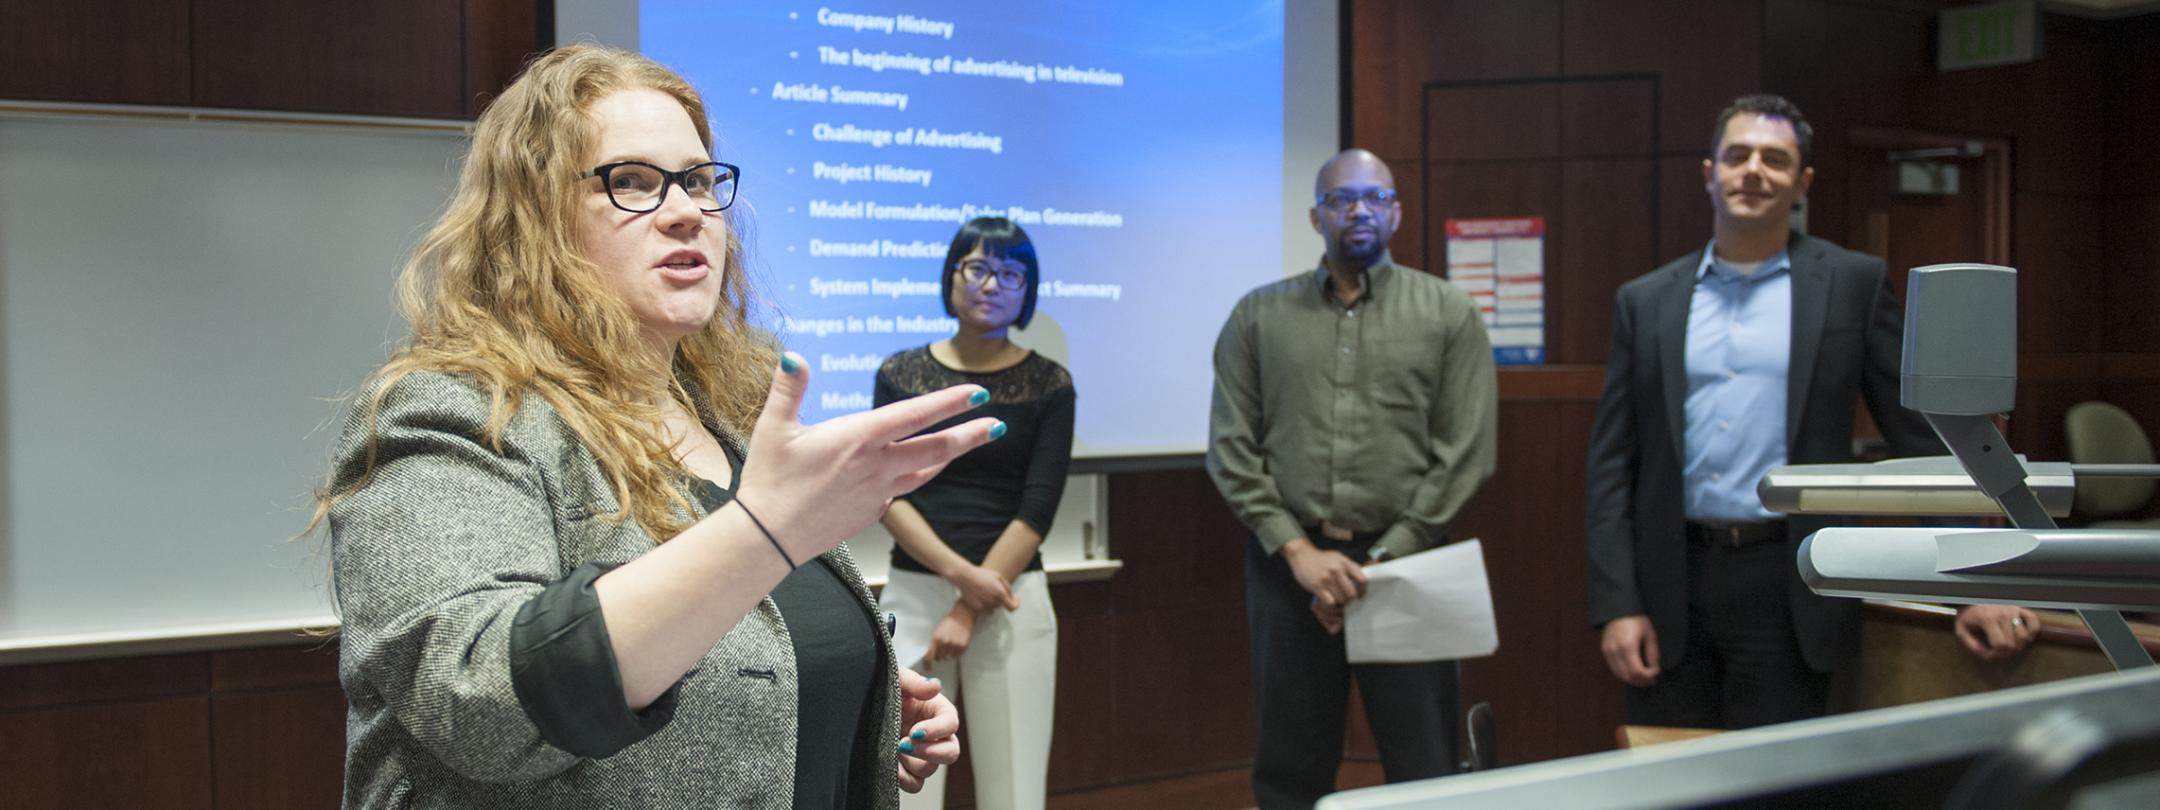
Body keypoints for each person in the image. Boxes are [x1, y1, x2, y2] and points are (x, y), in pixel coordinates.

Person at [317, 45, 993, 809]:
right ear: (533, 216)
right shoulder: (453, 416)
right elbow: (479, 702)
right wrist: (763, 528)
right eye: (631, 182)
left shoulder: (728, 421)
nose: (686, 212)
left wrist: (843, 701)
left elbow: (734, 654)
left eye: (699, 182)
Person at [1584, 93, 2041, 730]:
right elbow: (1611, 466)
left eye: (1775, 159)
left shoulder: (1851, 285)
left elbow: (1920, 442)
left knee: (1779, 786)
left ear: (1802, 182)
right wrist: (1617, 604)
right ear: (1708, 173)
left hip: (1793, 580)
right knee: (1670, 774)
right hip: (1670, 585)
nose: (1753, 171)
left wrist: (1970, 584)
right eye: (1737, 155)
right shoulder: (1647, 301)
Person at [1207, 148, 1498, 809]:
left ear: (1396, 212)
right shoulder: (1257, 318)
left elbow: (1467, 455)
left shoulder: (1449, 313)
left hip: (1410, 565)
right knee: (1289, 768)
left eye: (1375, 197)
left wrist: (1381, 562)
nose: (1358, 210)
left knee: (1425, 765)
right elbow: (1230, 448)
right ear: (1316, 216)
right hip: (1289, 571)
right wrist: (1301, 553)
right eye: (1341, 199)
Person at [874, 217, 1074, 810]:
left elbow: (1038, 507)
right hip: (912, 594)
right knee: (905, 792)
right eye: (978, 267)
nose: (992, 284)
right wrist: (963, 581)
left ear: (1027, 290)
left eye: (1011, 273)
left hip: (1010, 600)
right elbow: (889, 492)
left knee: (1013, 792)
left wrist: (969, 605)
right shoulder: (901, 374)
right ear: (953, 273)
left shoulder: (1050, 383)